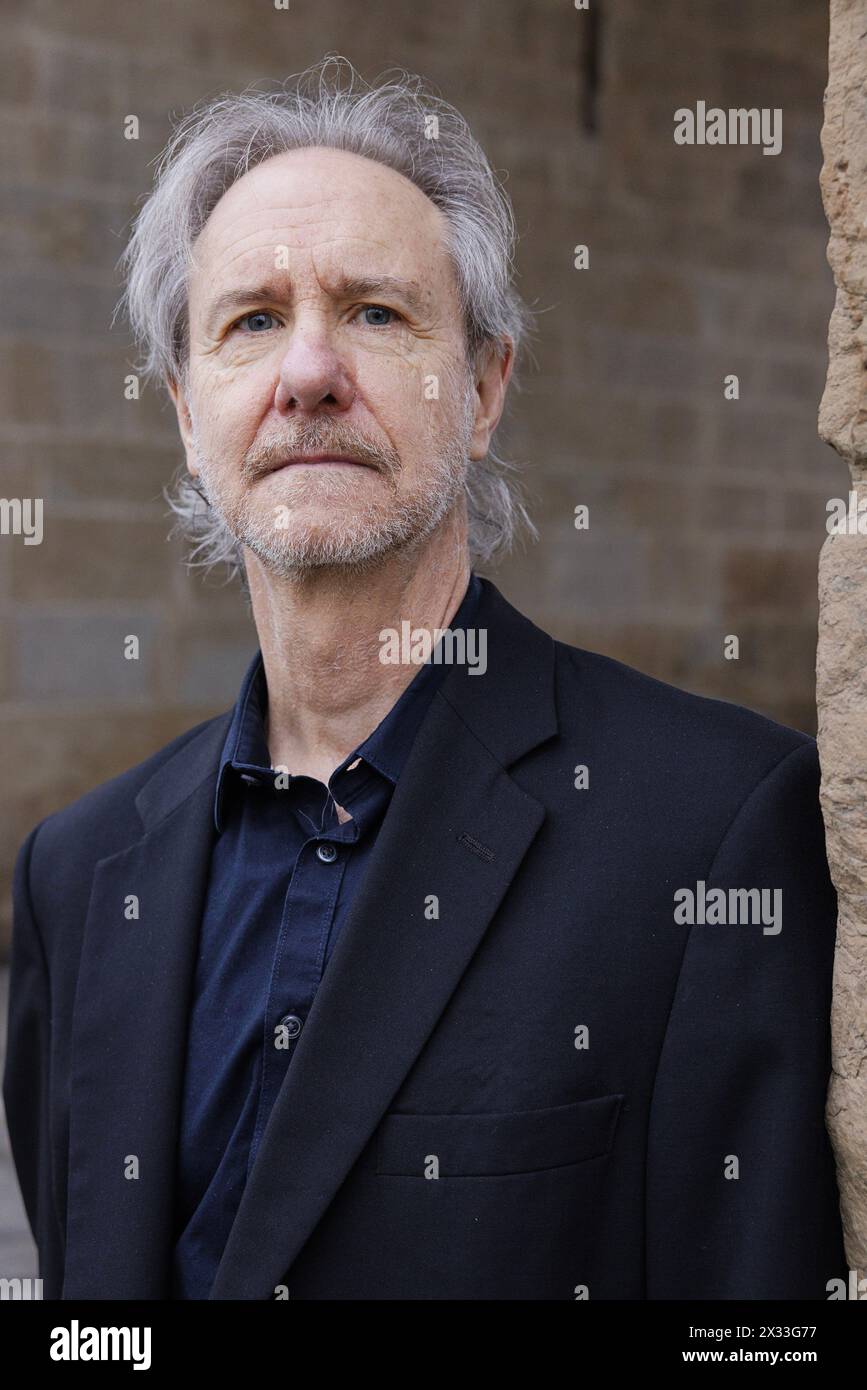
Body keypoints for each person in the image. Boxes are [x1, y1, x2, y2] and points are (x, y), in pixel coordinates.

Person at [3, 56, 846, 1300]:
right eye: (250, 322)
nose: (308, 372)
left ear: (487, 388)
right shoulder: (75, 878)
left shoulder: (714, 829)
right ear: (188, 410)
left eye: (377, 314)